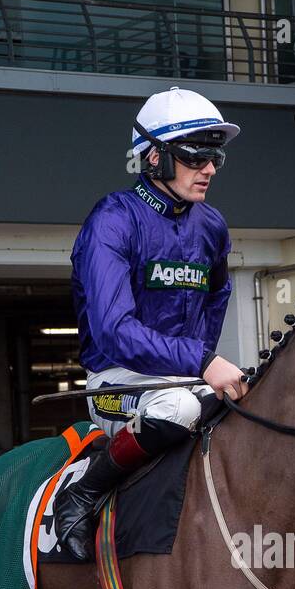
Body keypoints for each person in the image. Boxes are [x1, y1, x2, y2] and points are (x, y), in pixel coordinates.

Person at [54, 86, 248, 561]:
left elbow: (218, 294)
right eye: (196, 156)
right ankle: (80, 494)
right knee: (180, 410)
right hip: (115, 382)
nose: (209, 168)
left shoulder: (212, 226)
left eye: (215, 157)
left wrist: (201, 361)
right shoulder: (111, 220)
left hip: (186, 376)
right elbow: (114, 330)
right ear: (156, 157)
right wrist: (202, 361)